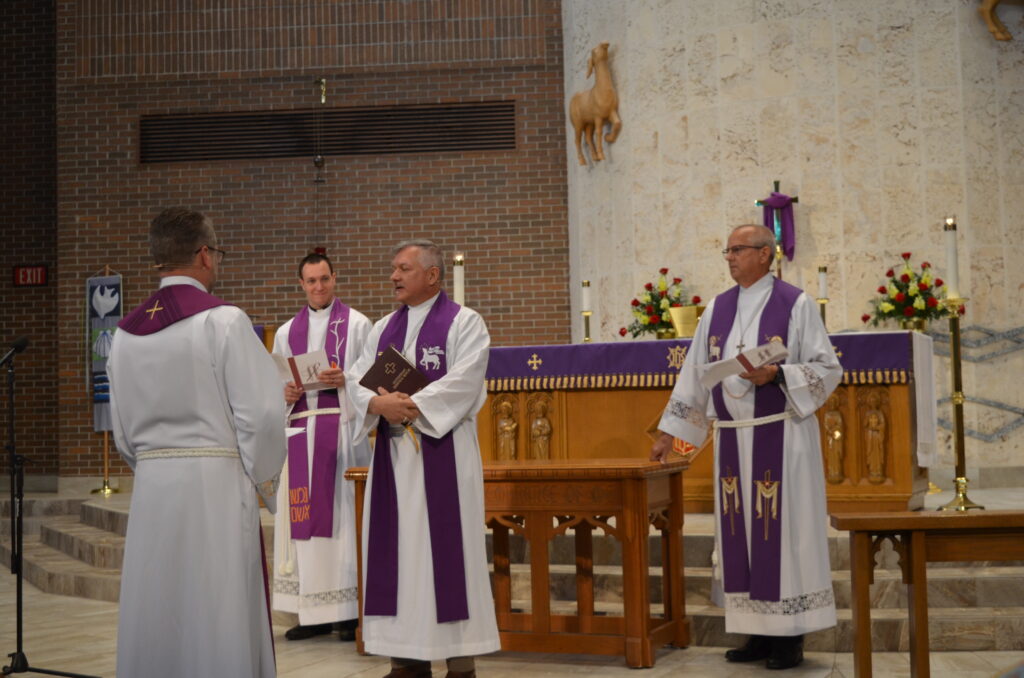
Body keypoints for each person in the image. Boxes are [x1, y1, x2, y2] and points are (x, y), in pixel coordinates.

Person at [651, 224, 841, 671]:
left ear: (764, 254)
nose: (730, 257)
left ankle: (790, 639)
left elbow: (826, 368)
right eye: (728, 250)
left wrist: (777, 376)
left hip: (783, 434)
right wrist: (667, 432)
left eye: (737, 250)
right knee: (743, 539)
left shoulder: (795, 303)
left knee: (785, 537)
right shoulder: (717, 308)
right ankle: (757, 632)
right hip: (735, 441)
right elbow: (695, 374)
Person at [108, 208, 286, 678]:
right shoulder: (224, 322)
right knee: (217, 605)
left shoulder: (123, 335)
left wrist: (155, 465)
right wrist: (264, 482)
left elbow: (122, 431)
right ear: (204, 255)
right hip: (216, 487)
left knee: (159, 602)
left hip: (152, 490)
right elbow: (263, 415)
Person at [346, 239, 500, 678]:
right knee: (399, 558)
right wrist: (377, 406)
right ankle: (404, 661)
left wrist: (406, 406)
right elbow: (355, 381)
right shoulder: (381, 330)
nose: (393, 276)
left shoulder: (465, 323)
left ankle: (460, 662)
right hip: (393, 459)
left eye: (403, 269)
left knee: (445, 557)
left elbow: (465, 383)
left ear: (432, 275)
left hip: (443, 454)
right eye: (393, 269)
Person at [272, 252, 372, 641]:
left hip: (341, 430)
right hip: (299, 432)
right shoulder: (285, 333)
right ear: (301, 284)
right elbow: (273, 383)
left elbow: (370, 375)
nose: (318, 287)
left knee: (343, 521)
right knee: (302, 526)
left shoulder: (359, 325)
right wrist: (286, 391)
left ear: (335, 278)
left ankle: (347, 613)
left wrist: (345, 378)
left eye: (324, 279)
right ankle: (309, 612)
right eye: (311, 281)